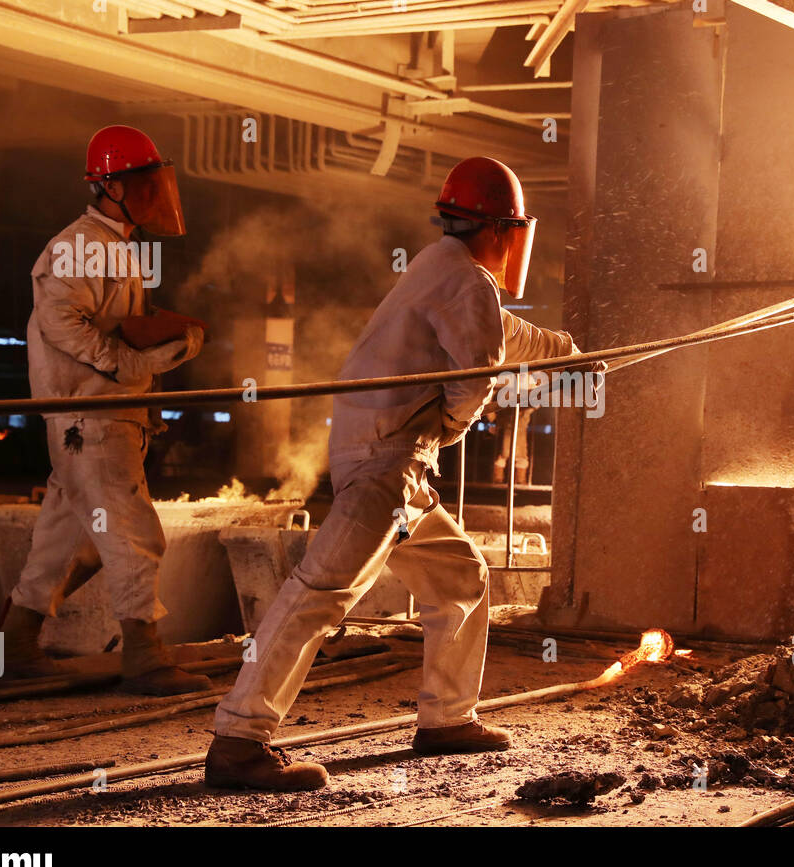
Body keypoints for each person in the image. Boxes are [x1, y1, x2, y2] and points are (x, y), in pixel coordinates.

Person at [206, 157, 580, 790]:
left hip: (394, 463)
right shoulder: (467, 281)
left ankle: (447, 721)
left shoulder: (445, 270)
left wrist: (570, 352)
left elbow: (505, 336)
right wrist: (455, 422)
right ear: (498, 228)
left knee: (459, 575)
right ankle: (238, 741)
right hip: (388, 462)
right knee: (318, 595)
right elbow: (477, 373)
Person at [0, 125, 209, 697]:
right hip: (90, 420)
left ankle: (16, 644)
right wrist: (119, 363)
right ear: (109, 186)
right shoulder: (79, 244)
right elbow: (60, 320)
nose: (152, 194)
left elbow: (107, 325)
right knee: (135, 533)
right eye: (140, 183)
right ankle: (144, 656)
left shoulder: (112, 246)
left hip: (96, 418)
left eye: (153, 182)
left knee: (63, 542)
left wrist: (157, 342)